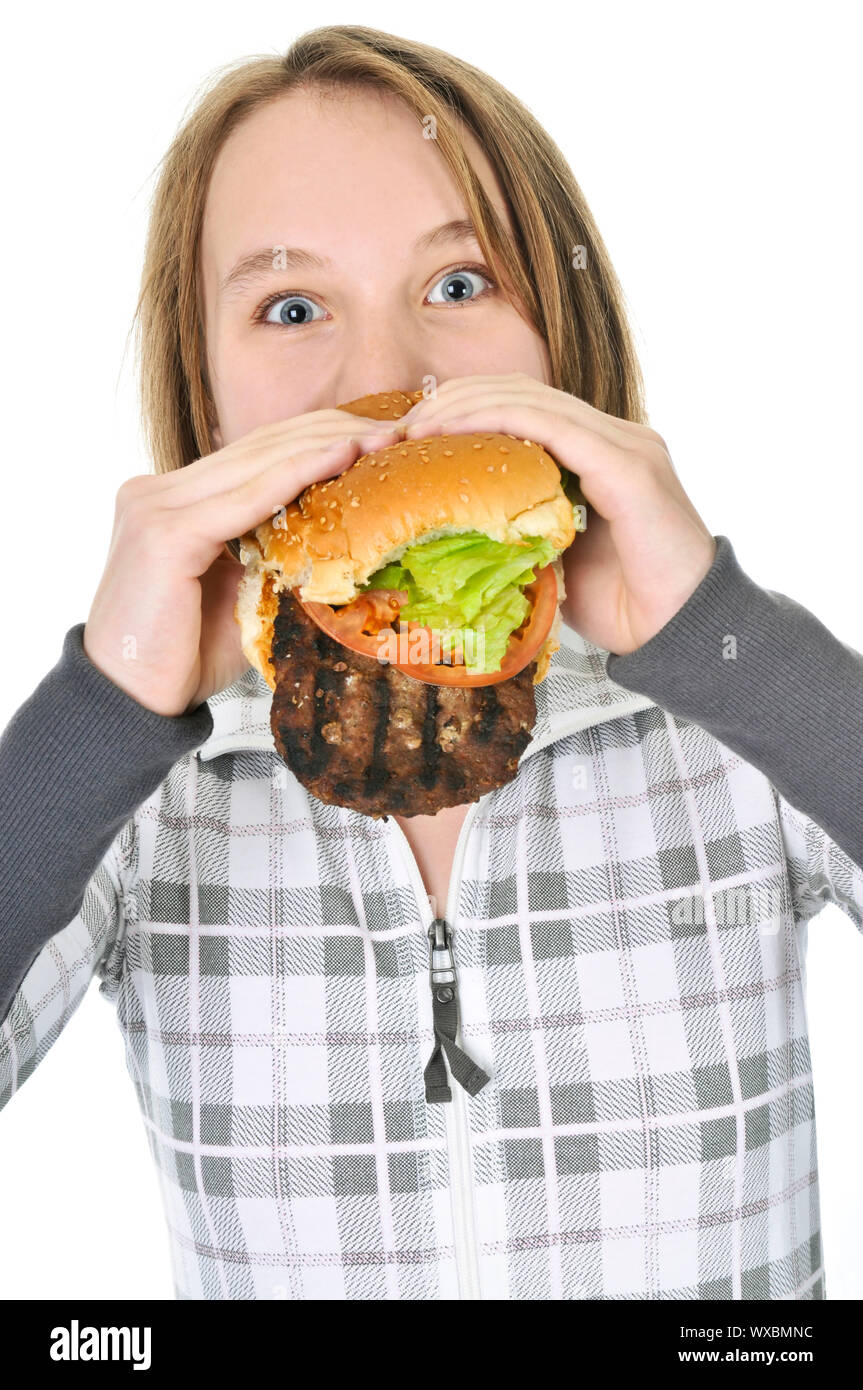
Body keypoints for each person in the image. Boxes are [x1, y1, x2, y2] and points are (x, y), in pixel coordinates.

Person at [1, 24, 861, 1302]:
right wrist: (104, 708)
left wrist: (719, 635)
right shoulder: (131, 793)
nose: (389, 380)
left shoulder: (734, 715)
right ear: (211, 399)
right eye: (290, 307)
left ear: (558, 339)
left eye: (458, 286)